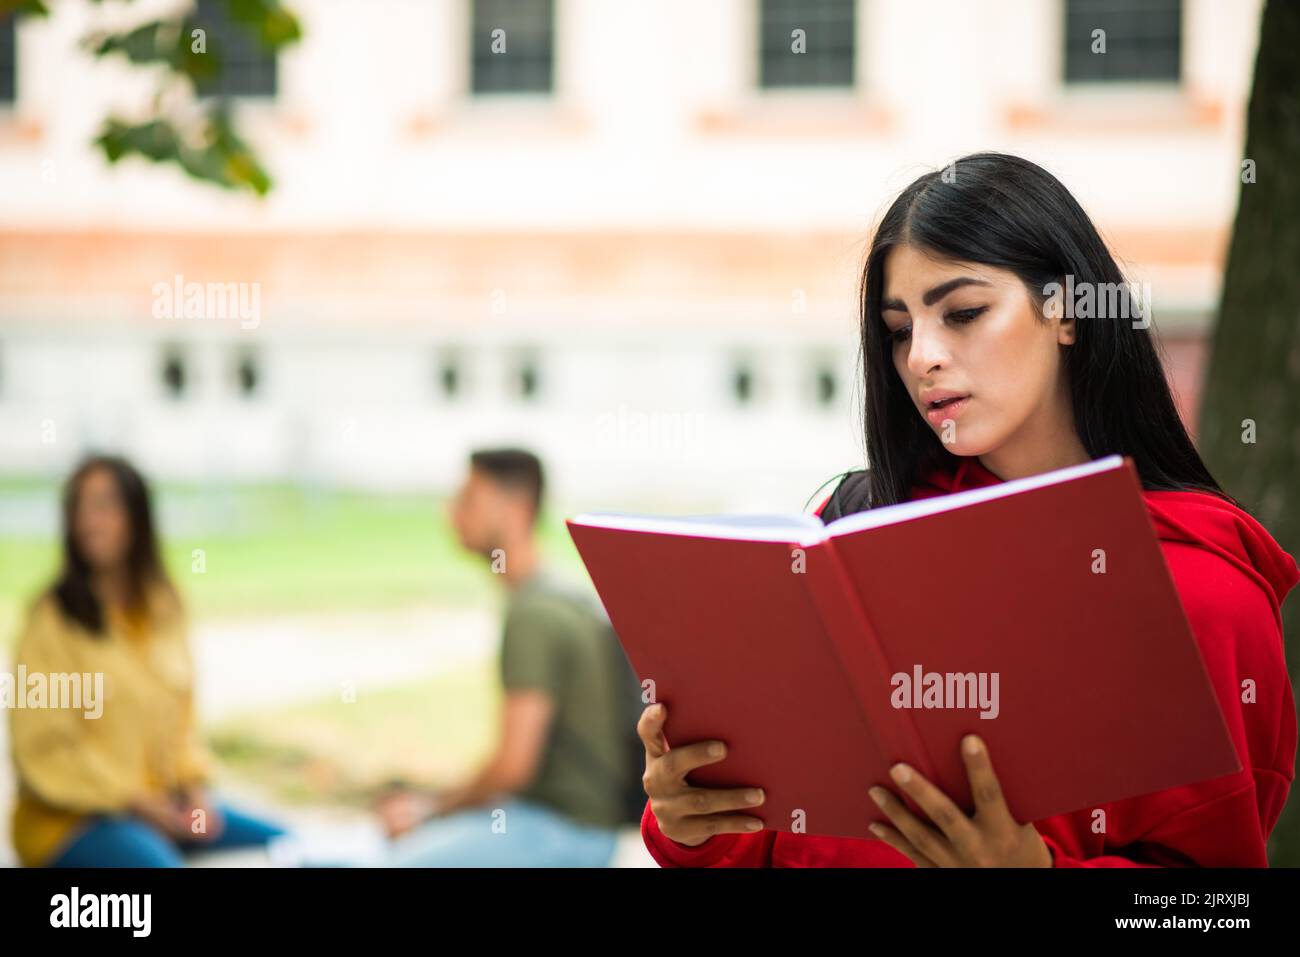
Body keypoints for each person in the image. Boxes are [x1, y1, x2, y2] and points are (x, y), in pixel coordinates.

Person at [639, 152, 1298, 868]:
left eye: (964, 313)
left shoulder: (1205, 594)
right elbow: (764, 843)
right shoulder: (849, 525)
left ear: (1069, 311)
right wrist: (692, 819)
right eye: (898, 329)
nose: (922, 355)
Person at [8, 455, 287, 867]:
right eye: (78, 507)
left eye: (104, 505)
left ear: (136, 515)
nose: (89, 521)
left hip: (166, 805)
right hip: (76, 821)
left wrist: (195, 793)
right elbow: (41, 750)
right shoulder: (51, 620)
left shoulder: (163, 607)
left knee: (294, 850)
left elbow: (182, 719)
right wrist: (134, 801)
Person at [376, 448, 631, 866]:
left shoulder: (532, 615)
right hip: (576, 825)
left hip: (562, 832)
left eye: (468, 500)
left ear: (516, 509)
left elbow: (512, 766)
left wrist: (428, 811)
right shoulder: (564, 594)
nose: (451, 515)